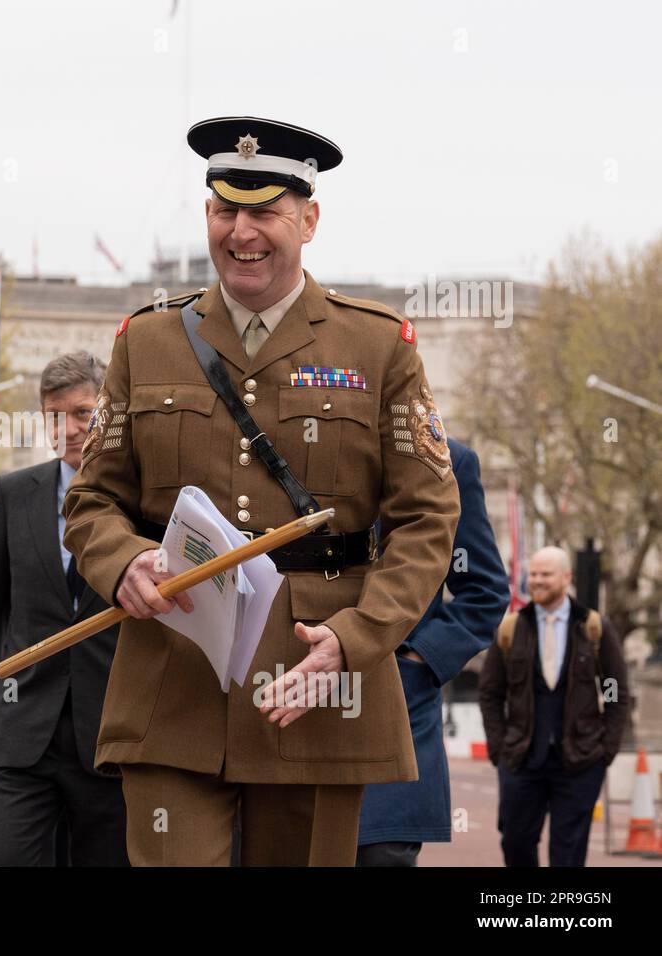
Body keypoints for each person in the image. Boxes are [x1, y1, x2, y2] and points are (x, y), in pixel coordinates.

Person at [63, 116, 461, 866]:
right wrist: (123, 563)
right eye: (224, 210)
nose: (241, 232)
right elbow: (91, 501)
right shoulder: (144, 341)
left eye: (265, 211)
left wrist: (355, 639)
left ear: (309, 219)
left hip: (312, 683)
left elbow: (428, 517)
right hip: (174, 677)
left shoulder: (379, 347)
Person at [0, 352, 129, 866]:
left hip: (110, 741)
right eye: (54, 416)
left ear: (109, 413)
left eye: (82, 413)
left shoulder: (143, 502)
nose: (68, 429)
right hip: (19, 735)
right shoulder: (14, 494)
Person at [356, 437, 509, 865]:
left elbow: (484, 592)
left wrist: (417, 660)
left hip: (395, 707)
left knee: (380, 853)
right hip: (289, 699)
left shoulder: (447, 460)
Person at [479, 546, 632, 866]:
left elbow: (614, 689)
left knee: (568, 854)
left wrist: (606, 750)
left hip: (580, 761)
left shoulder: (594, 628)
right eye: (533, 574)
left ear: (566, 577)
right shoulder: (510, 629)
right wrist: (499, 748)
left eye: (545, 574)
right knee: (516, 843)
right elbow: (491, 693)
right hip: (521, 760)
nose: (537, 581)